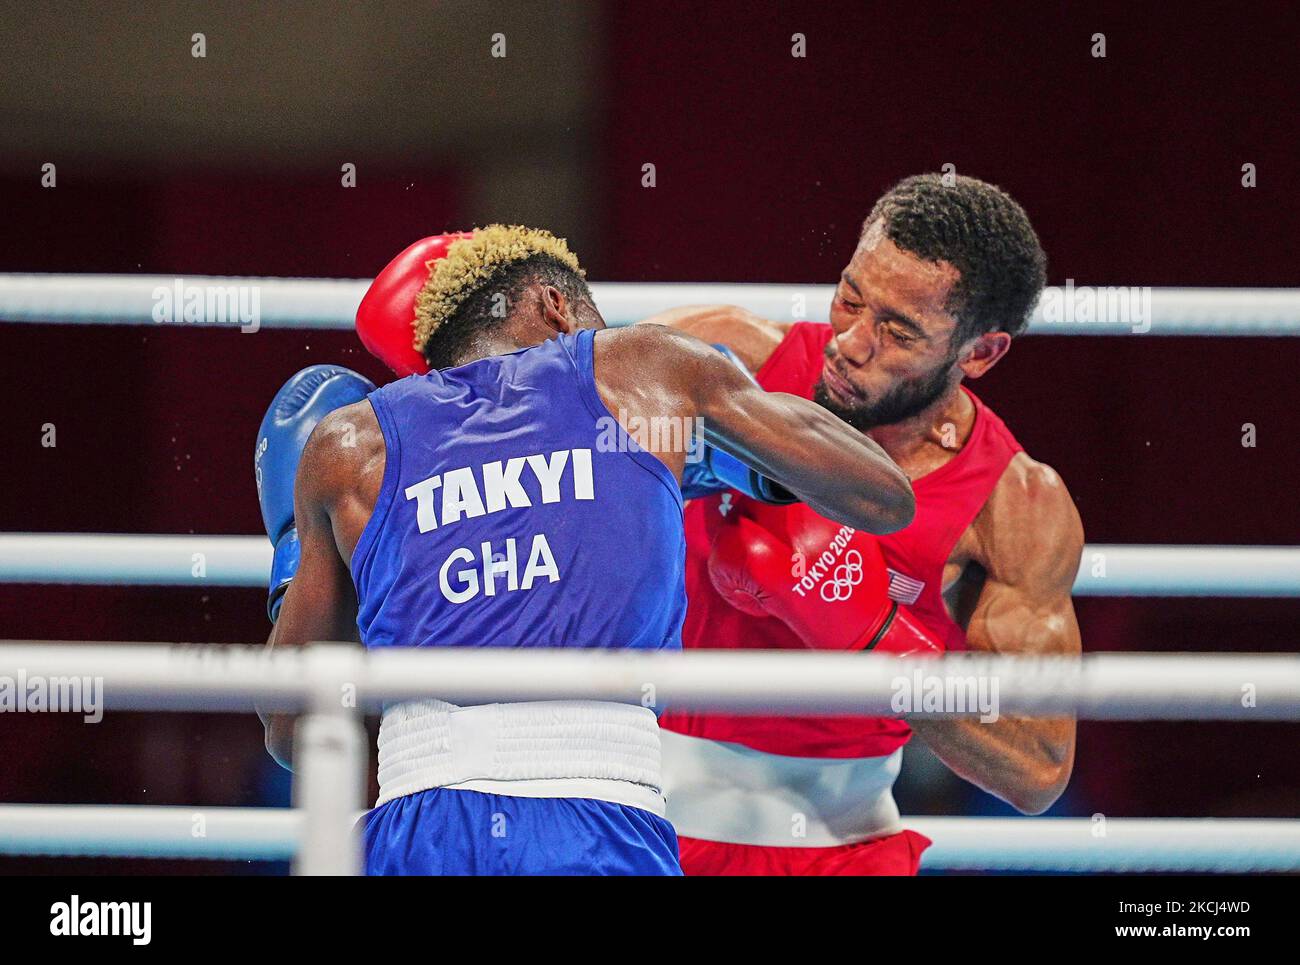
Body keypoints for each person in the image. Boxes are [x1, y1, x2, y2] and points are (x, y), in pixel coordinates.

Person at [253, 225, 916, 875]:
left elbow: (293, 735)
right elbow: (886, 496)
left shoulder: (348, 447)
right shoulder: (643, 369)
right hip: (598, 828)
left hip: (415, 831)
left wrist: (295, 560)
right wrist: (745, 448)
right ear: (556, 304)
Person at [649, 174, 1085, 875]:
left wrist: (876, 640)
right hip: (636, 821)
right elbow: (535, 419)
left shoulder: (1013, 506)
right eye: (851, 296)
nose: (850, 342)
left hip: (838, 848)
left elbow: (1038, 764)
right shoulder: (725, 366)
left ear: (979, 353)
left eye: (898, 330)